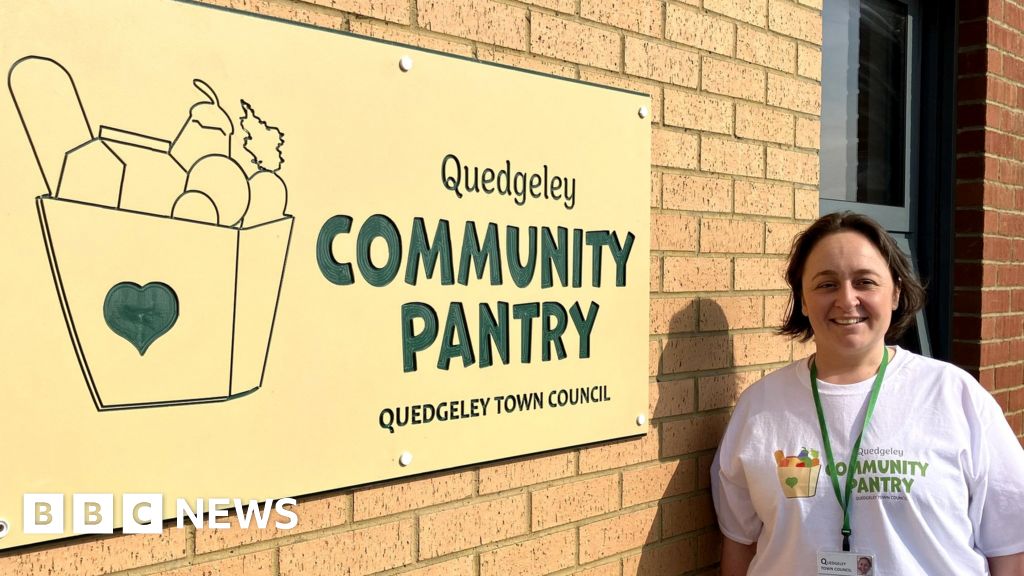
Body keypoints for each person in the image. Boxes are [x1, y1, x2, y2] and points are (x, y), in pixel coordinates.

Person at [711, 212, 1024, 575]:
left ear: (896, 292)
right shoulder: (760, 408)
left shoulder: (954, 397)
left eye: (865, 282)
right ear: (804, 301)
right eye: (826, 284)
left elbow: (1011, 548)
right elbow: (739, 547)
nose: (847, 299)